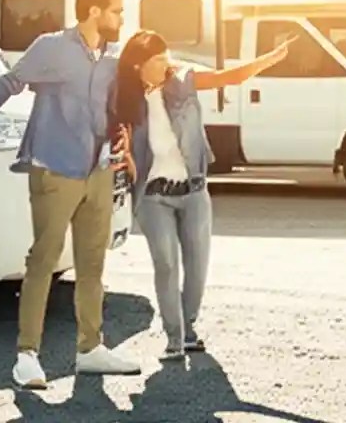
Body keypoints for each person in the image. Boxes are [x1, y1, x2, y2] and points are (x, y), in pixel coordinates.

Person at [0, 0, 140, 388]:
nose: (121, 18)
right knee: (44, 259)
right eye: (116, 10)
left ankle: (91, 349)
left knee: (92, 263)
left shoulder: (114, 57)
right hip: (54, 169)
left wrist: (125, 138)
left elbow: (119, 107)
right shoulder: (51, 48)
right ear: (94, 10)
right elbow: (7, 85)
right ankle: (27, 356)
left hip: (98, 171)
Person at [110, 29, 293, 362]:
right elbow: (125, 148)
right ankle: (174, 338)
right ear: (138, 66)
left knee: (197, 266)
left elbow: (230, 77)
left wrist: (270, 58)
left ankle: (188, 327)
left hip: (193, 190)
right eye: (158, 60)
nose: (166, 64)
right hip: (153, 196)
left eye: (166, 57)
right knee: (166, 264)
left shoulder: (182, 81)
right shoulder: (126, 101)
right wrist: (127, 163)